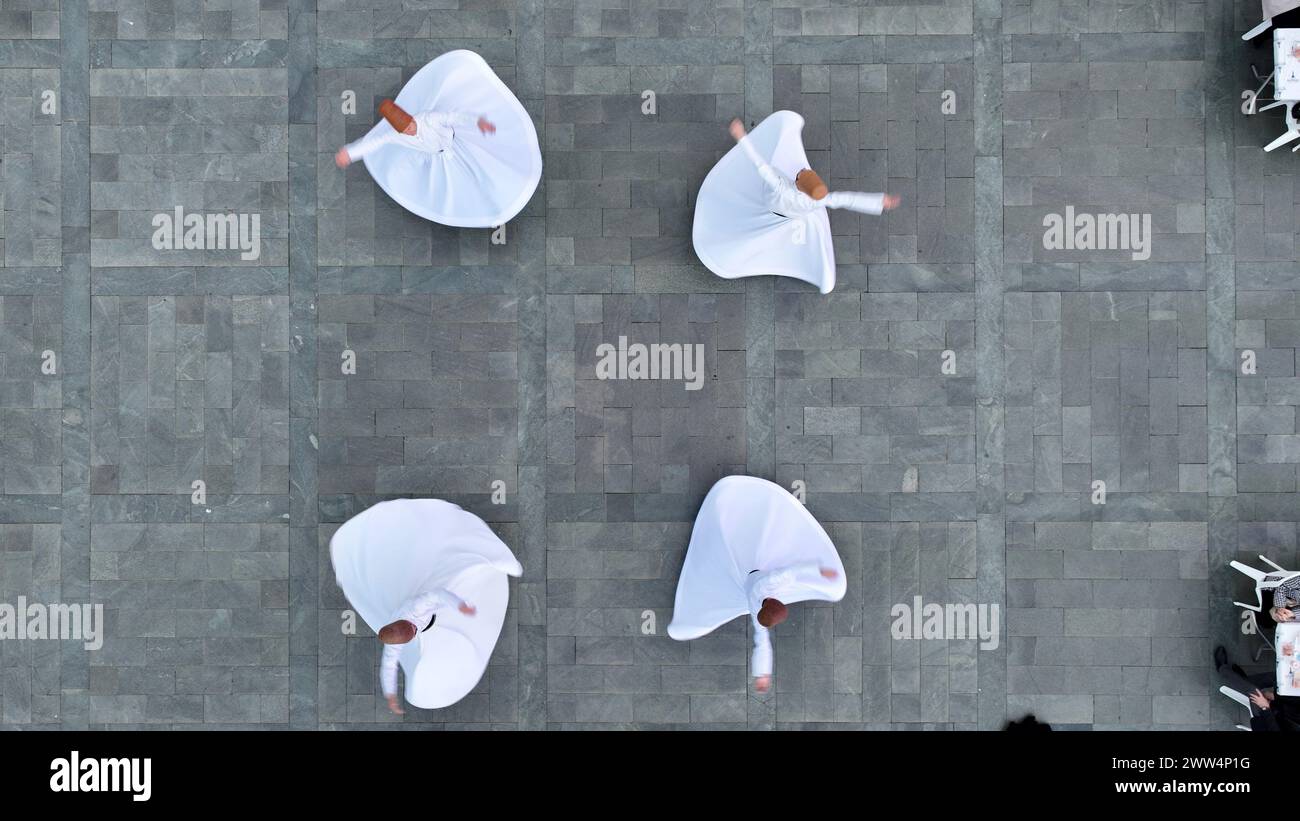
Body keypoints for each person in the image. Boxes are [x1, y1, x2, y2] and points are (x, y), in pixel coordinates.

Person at [727, 118, 900, 219]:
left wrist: (741, 136)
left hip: (772, 203)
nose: (801, 170)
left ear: (797, 183)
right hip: (793, 214)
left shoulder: (780, 186)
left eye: (800, 174)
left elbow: (759, 163)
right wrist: (880, 202)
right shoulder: (820, 199)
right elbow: (848, 199)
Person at [378, 587, 477, 715]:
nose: (415, 630)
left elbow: (438, 594)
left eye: (414, 628)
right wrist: (390, 694)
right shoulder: (394, 643)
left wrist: (460, 605)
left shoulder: (415, 606)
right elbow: (388, 665)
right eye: (414, 633)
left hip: (436, 611)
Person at [747, 563, 839, 693]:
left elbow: (792, 570)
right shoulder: (758, 604)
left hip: (756, 578)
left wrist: (821, 571)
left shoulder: (770, 582)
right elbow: (761, 639)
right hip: (755, 581)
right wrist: (763, 674)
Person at [335, 99, 497, 169]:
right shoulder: (395, 135)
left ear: (412, 118)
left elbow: (454, 117)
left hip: (457, 141)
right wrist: (350, 153)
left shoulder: (429, 118)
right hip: (437, 155)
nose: (410, 130)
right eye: (405, 130)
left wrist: (477, 122)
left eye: (411, 125)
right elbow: (374, 142)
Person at [1214, 645, 1300, 731]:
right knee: (1280, 678)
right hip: (1284, 710)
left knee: (1253, 691)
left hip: (1267, 721)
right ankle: (1244, 680)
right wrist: (1276, 696)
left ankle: (1223, 670)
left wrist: (1265, 708)